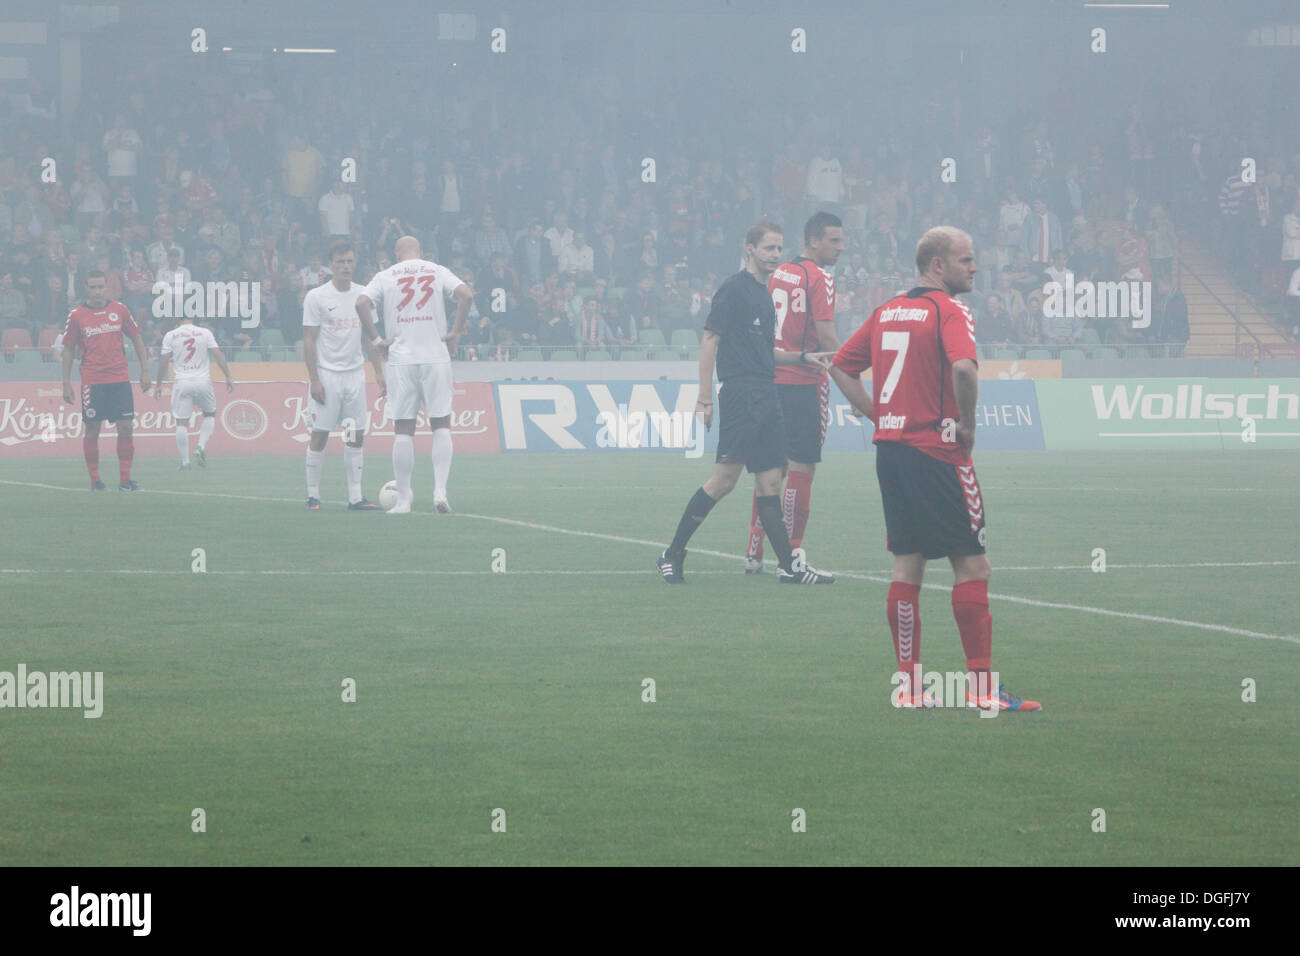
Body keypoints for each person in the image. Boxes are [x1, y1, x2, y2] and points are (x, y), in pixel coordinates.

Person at [828, 226, 1040, 712]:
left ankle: (908, 688)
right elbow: (965, 369)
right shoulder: (949, 310)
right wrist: (967, 425)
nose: (975, 268)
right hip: (937, 451)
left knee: (908, 564)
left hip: (892, 451)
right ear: (937, 265)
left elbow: (840, 366)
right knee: (972, 564)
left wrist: (880, 413)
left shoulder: (887, 311)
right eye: (966, 260)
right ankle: (983, 691)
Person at [657, 221, 835, 586]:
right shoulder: (734, 290)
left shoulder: (764, 294)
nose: (775, 255)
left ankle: (788, 566)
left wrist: (804, 357)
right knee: (723, 481)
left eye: (779, 248)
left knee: (770, 482)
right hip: (741, 395)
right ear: (750, 248)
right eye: (769, 248)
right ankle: (672, 554)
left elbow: (766, 352)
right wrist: (704, 398)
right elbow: (709, 340)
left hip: (768, 393)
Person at [743, 211, 845, 574]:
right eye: (833, 240)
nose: (840, 247)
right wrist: (853, 379)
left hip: (772, 378)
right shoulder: (820, 278)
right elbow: (828, 337)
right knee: (802, 467)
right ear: (813, 240)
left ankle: (755, 549)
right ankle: (792, 554)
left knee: (771, 469)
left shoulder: (780, 272)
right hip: (803, 380)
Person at [355, 236, 472, 514]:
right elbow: (466, 294)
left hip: (401, 360)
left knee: (403, 430)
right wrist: (456, 331)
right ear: (420, 252)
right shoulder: (436, 270)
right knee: (441, 424)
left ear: (397, 254)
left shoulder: (386, 275)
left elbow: (360, 303)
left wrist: (376, 339)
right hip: (435, 357)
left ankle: (404, 501)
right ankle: (440, 493)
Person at [302, 240, 387, 510]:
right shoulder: (316, 297)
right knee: (320, 435)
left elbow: (369, 337)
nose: (346, 266)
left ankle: (355, 496)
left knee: (355, 435)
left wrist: (378, 371)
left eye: (350, 261)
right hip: (327, 376)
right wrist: (314, 379)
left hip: (354, 375)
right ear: (331, 265)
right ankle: (313, 494)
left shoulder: (363, 296)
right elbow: (308, 340)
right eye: (340, 262)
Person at [61, 271, 151, 491]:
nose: (98, 291)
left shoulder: (119, 309)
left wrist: (145, 370)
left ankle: (125, 480)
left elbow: (137, 338)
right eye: (93, 287)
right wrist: (65, 382)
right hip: (92, 381)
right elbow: (68, 348)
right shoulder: (77, 315)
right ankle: (95, 480)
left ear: (106, 287)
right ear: (86, 289)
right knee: (92, 430)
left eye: (101, 286)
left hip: (119, 379)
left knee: (126, 427)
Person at [154, 314, 234, 469]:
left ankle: (185, 462)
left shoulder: (171, 335)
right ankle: (201, 446)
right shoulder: (205, 333)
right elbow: (217, 354)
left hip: (183, 382)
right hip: (203, 381)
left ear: (177, 319)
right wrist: (228, 376)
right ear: (193, 319)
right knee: (210, 414)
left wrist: (158, 384)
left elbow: (163, 360)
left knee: (181, 423)